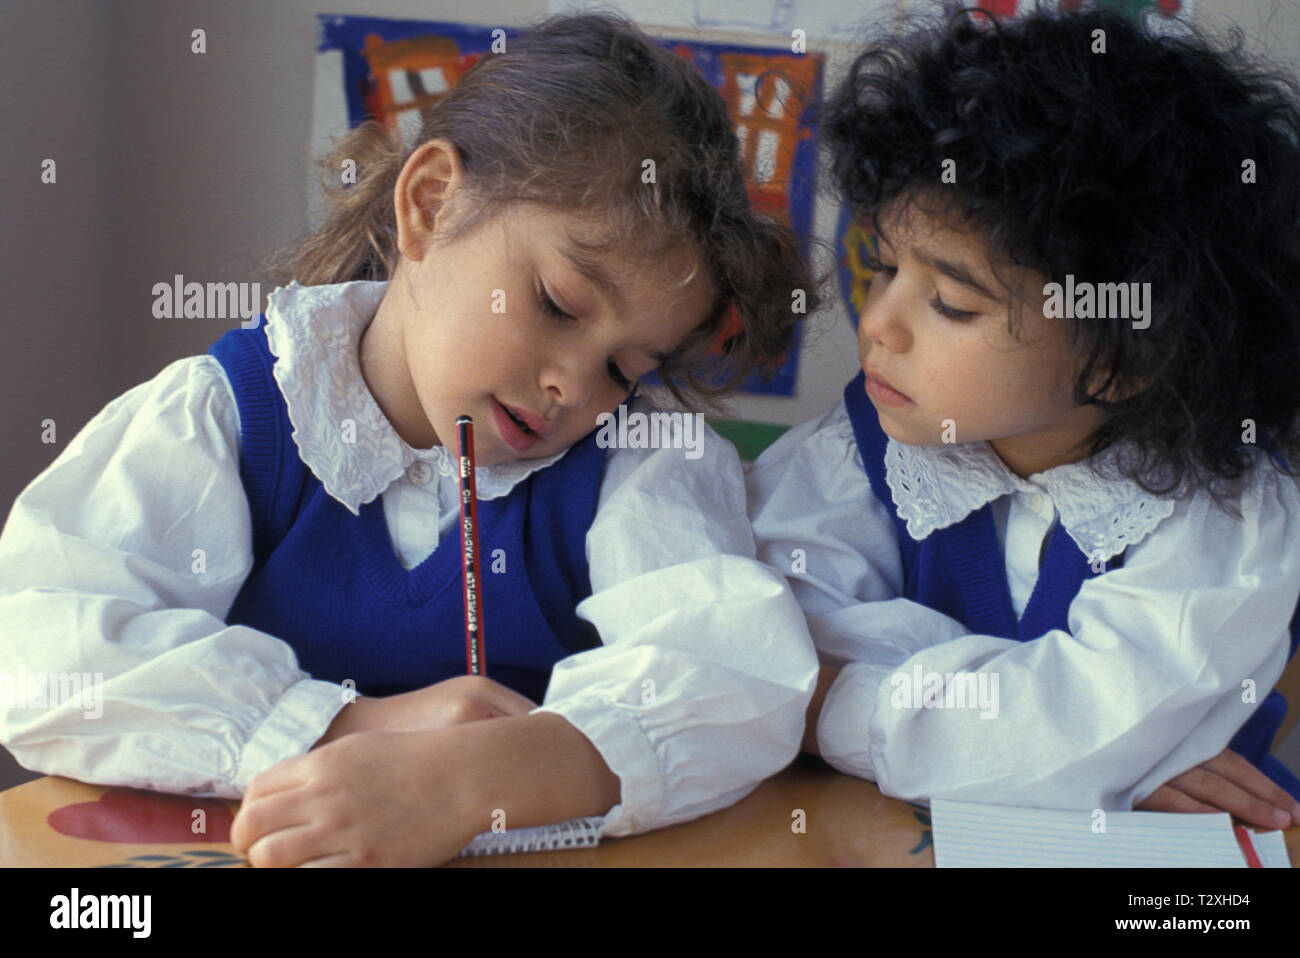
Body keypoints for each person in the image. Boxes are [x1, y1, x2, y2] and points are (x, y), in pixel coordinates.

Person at [0, 14, 820, 866]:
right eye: (558, 304)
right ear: (431, 202)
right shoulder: (231, 417)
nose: (576, 387)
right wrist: (350, 728)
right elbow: (38, 648)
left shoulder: (639, 467)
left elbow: (742, 676)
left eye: (625, 366)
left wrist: (487, 776)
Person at [748, 6, 1300, 825]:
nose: (879, 323)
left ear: (1122, 357)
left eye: (952, 304)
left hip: (1179, 852)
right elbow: (774, 639)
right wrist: (1065, 751)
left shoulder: (1227, 515)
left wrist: (831, 708)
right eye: (887, 265)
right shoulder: (868, 441)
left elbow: (1072, 735)